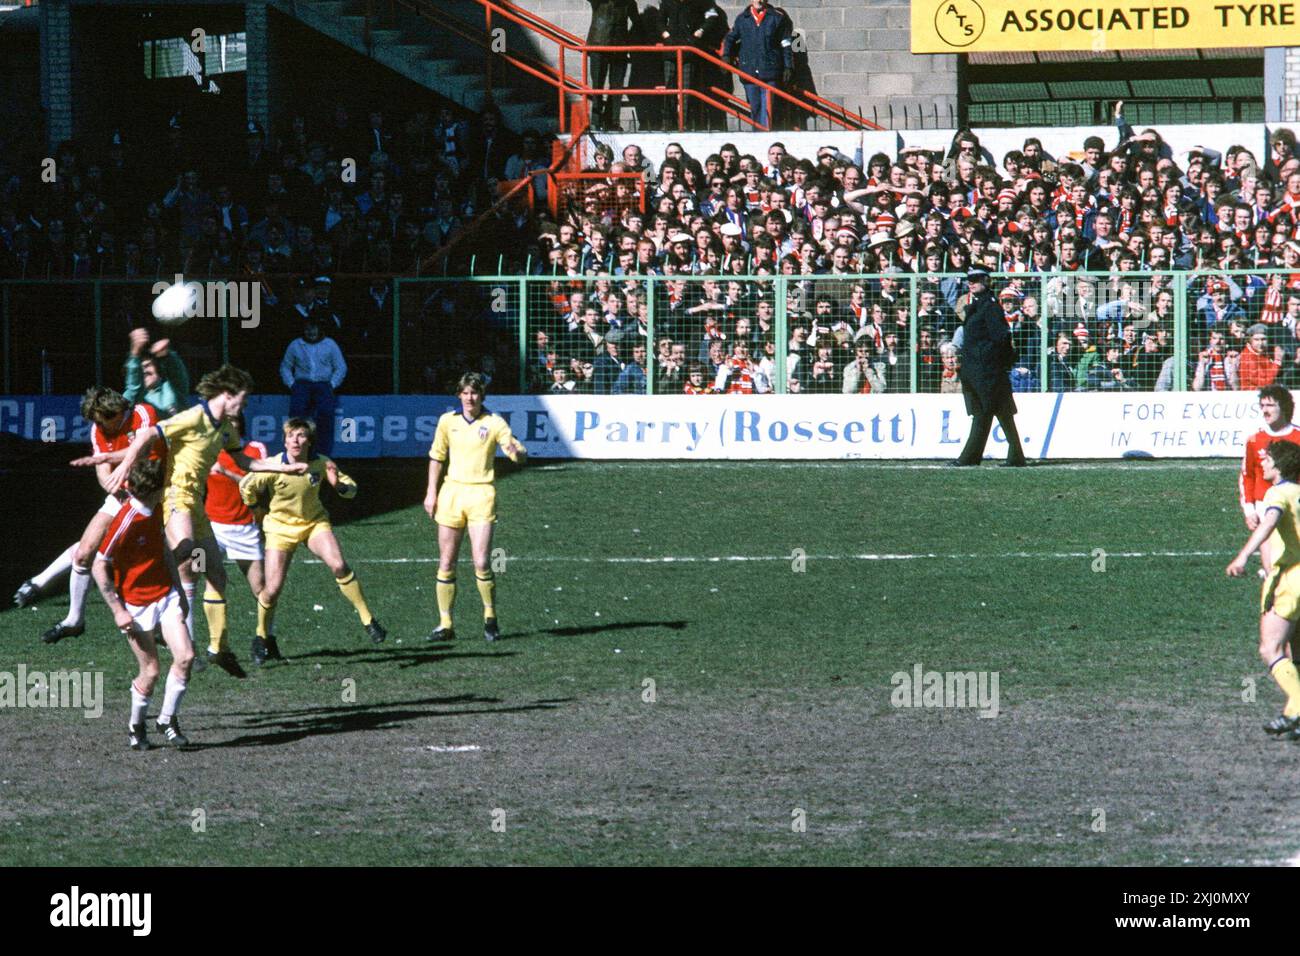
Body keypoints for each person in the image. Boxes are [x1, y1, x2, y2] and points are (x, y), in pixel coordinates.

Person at [75, 365, 307, 678]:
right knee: (184, 551)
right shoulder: (193, 417)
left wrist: (281, 468)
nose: (246, 403)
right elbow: (147, 434)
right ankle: (148, 600)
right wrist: (123, 463)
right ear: (227, 395)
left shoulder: (225, 427)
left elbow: (242, 460)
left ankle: (218, 650)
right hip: (175, 496)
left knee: (217, 575)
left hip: (197, 504)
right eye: (243, 397)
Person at [15, 387, 166, 644]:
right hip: (123, 494)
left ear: (118, 413)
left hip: (158, 495)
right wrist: (111, 483)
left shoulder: (143, 412)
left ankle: (171, 629)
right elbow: (103, 471)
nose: (99, 427)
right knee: (85, 551)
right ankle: (75, 620)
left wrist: (110, 460)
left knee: (166, 561)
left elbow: (141, 449)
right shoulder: (100, 430)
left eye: (103, 421)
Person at [239, 418, 387, 659]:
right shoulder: (274, 465)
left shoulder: (321, 463)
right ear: (284, 440)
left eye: (300, 436)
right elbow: (246, 486)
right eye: (290, 436)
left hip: (314, 523)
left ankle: (368, 620)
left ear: (309, 440)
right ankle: (261, 636)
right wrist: (256, 509)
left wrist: (338, 485)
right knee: (272, 590)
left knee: (339, 564)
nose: (295, 441)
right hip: (280, 529)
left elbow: (351, 489)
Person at [90, 457, 195, 751]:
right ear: (157, 489)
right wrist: (117, 610)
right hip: (135, 605)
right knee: (150, 672)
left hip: (165, 595)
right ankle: (137, 727)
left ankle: (167, 720)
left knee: (185, 657)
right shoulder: (125, 521)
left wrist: (180, 594)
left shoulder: (156, 510)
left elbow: (163, 551)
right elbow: (99, 564)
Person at [423, 372, 528, 643]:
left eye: (475, 393)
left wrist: (518, 453)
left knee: (481, 561)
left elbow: (513, 449)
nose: (470, 398)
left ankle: (490, 617)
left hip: (481, 494)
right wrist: (431, 493)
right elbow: (436, 458)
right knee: (446, 561)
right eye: (466, 393)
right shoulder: (447, 421)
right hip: (452, 494)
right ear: (459, 395)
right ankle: (445, 623)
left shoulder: (494, 422)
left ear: (482, 396)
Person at [1227, 440, 1300, 738]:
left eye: (1268, 459)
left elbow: (1268, 523)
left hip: (1290, 579)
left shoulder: (1278, 493)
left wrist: (1243, 556)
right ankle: (1292, 716)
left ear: (1279, 464)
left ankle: (1296, 706)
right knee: (1294, 651)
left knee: (1269, 648)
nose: (1264, 463)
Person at [205, 414, 270, 662]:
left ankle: (264, 638)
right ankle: (214, 647)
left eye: (230, 422)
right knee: (205, 577)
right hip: (213, 528)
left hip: (245, 529)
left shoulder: (254, 449)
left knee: (260, 589)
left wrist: (226, 473)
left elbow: (260, 487)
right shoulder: (209, 449)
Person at [953, 269, 1028, 467]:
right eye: (969, 280)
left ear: (986, 281)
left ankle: (971, 457)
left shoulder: (990, 307)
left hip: (986, 369)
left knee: (989, 411)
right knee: (995, 411)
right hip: (978, 368)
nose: (971, 283)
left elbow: (1001, 337)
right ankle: (1013, 455)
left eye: (976, 280)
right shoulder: (979, 305)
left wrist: (994, 361)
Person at [1240, 385, 1300, 577]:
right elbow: (1247, 476)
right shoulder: (1254, 439)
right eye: (1262, 405)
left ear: (1283, 407)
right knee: (1270, 566)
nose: (1265, 410)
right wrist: (1249, 510)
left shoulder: (1298, 437)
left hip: (1293, 503)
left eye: (1271, 405)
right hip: (1263, 505)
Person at [721, 0, 793, 131]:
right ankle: (757, 137)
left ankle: (765, 138)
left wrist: (788, 66)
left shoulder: (777, 18)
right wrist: (726, 55)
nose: (758, 1)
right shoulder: (742, 19)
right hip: (749, 72)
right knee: (755, 108)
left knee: (767, 110)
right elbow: (730, 38)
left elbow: (786, 44)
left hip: (770, 71)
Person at [281, 314, 347, 456]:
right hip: (302, 385)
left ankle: (322, 455)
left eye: (313, 329)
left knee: (325, 416)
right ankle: (294, 453)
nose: (310, 332)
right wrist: (292, 384)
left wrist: (332, 384)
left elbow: (341, 367)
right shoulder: (295, 345)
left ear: (319, 329)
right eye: (307, 329)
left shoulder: (330, 344)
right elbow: (285, 367)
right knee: (296, 418)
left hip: (323, 385)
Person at [586, 0, 637, 129]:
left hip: (619, 46)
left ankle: (614, 121)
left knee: (617, 86)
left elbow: (637, 22)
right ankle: (596, 121)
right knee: (597, 85)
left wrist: (627, 38)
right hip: (599, 45)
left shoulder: (629, 2)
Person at [123, 328, 189, 417]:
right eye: (140, 369)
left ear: (158, 369)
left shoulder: (173, 388)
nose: (144, 371)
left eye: (148, 365)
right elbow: (133, 388)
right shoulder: (132, 396)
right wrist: (135, 354)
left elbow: (177, 371)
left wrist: (167, 355)